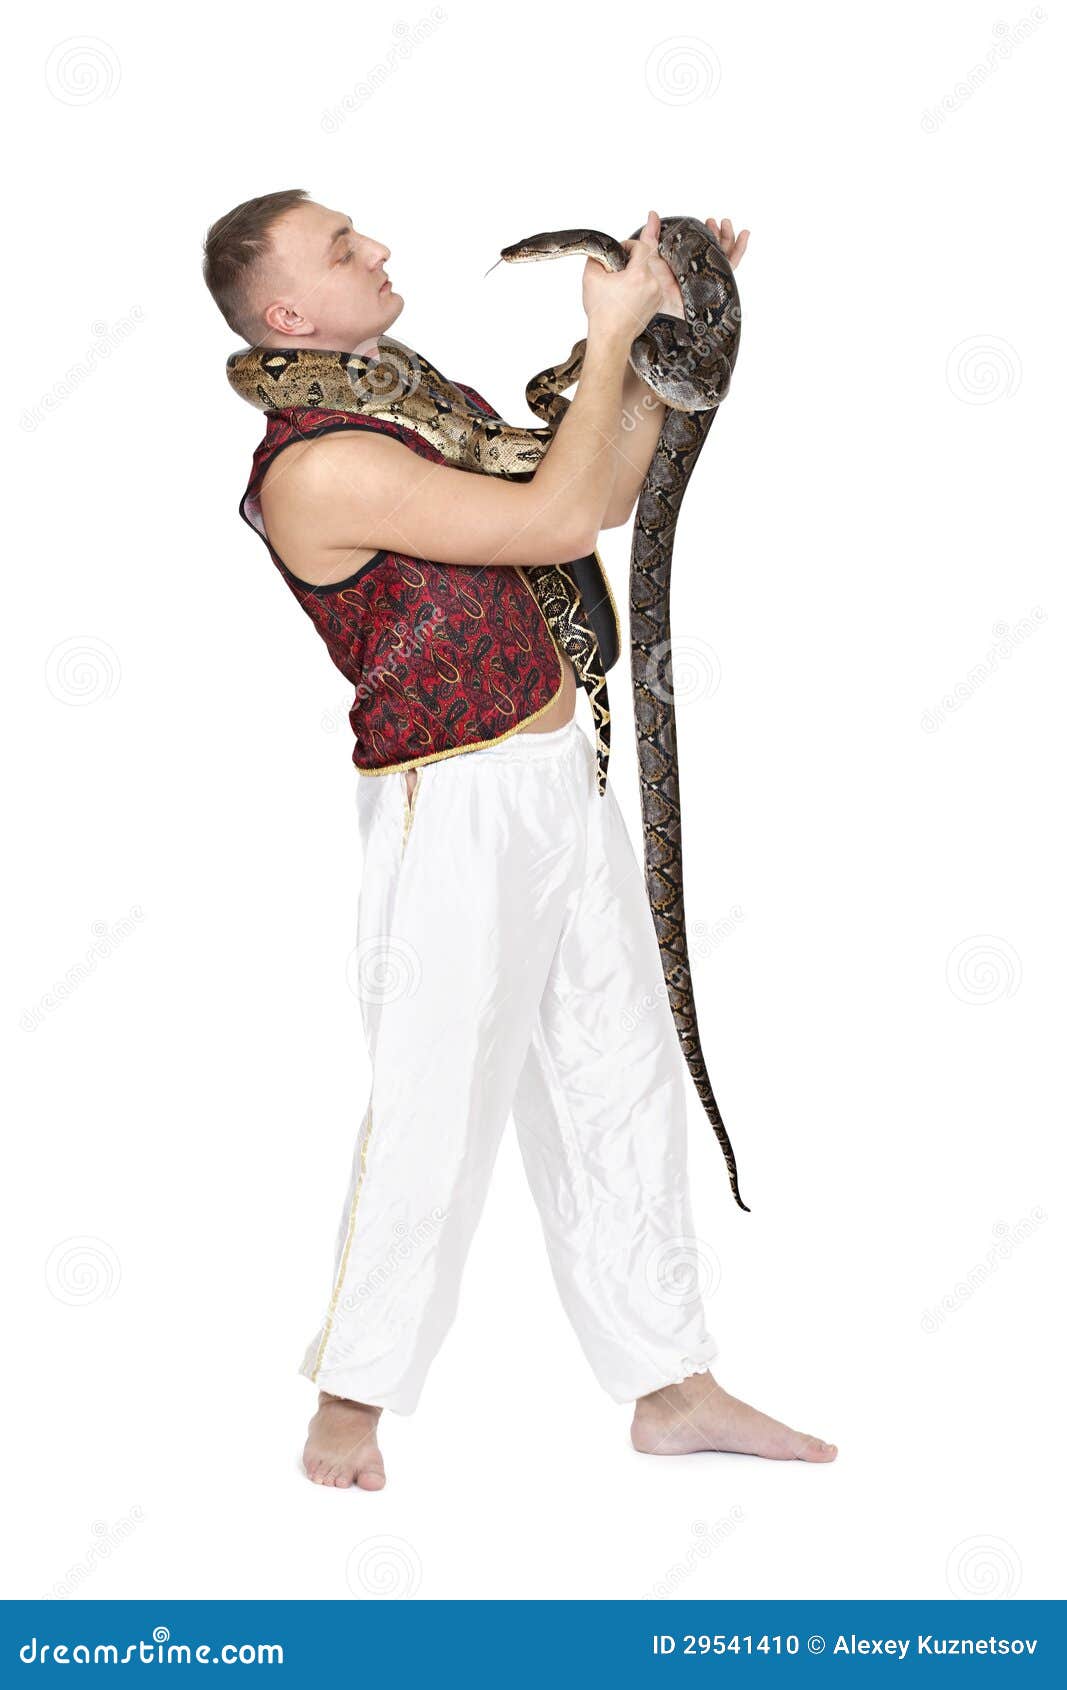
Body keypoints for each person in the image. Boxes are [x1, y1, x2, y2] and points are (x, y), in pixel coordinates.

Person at [203, 191, 837, 1489]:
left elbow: (592, 486)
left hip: (555, 776)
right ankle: (349, 1407)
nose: (376, 249)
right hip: (457, 805)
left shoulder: (408, 392)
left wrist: (658, 339)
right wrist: (598, 343)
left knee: (621, 1073)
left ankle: (672, 1383)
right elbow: (550, 526)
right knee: (440, 1101)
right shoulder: (318, 466)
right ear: (285, 317)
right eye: (341, 249)